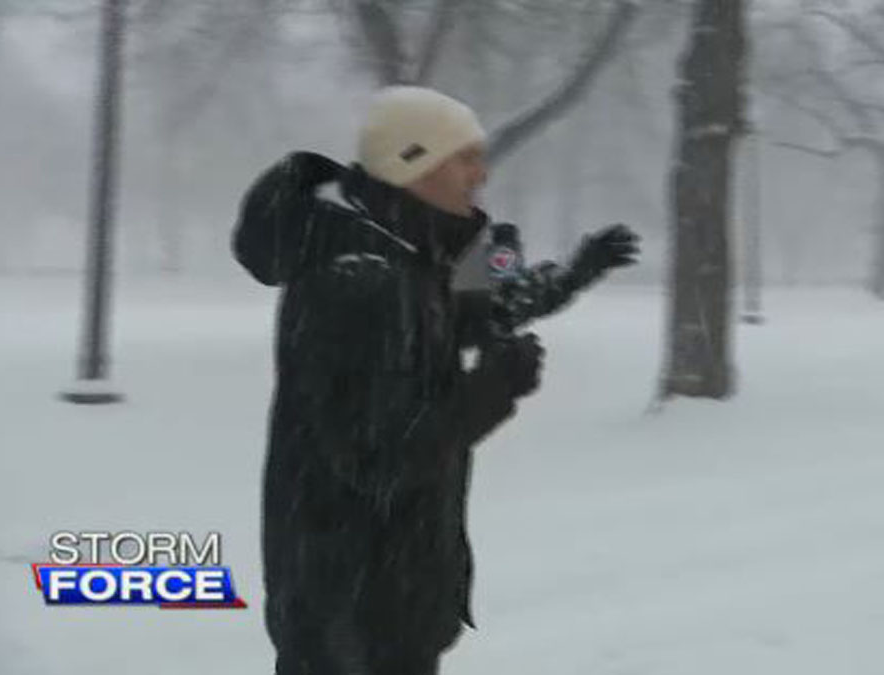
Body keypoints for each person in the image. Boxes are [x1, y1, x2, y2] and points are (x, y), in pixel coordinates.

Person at [231, 86, 638, 674]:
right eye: (465, 158)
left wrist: (575, 271)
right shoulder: (360, 278)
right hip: (349, 608)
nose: (481, 173)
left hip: (392, 590)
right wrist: (494, 388)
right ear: (411, 162)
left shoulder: (416, 252)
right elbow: (381, 457)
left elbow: (480, 310)